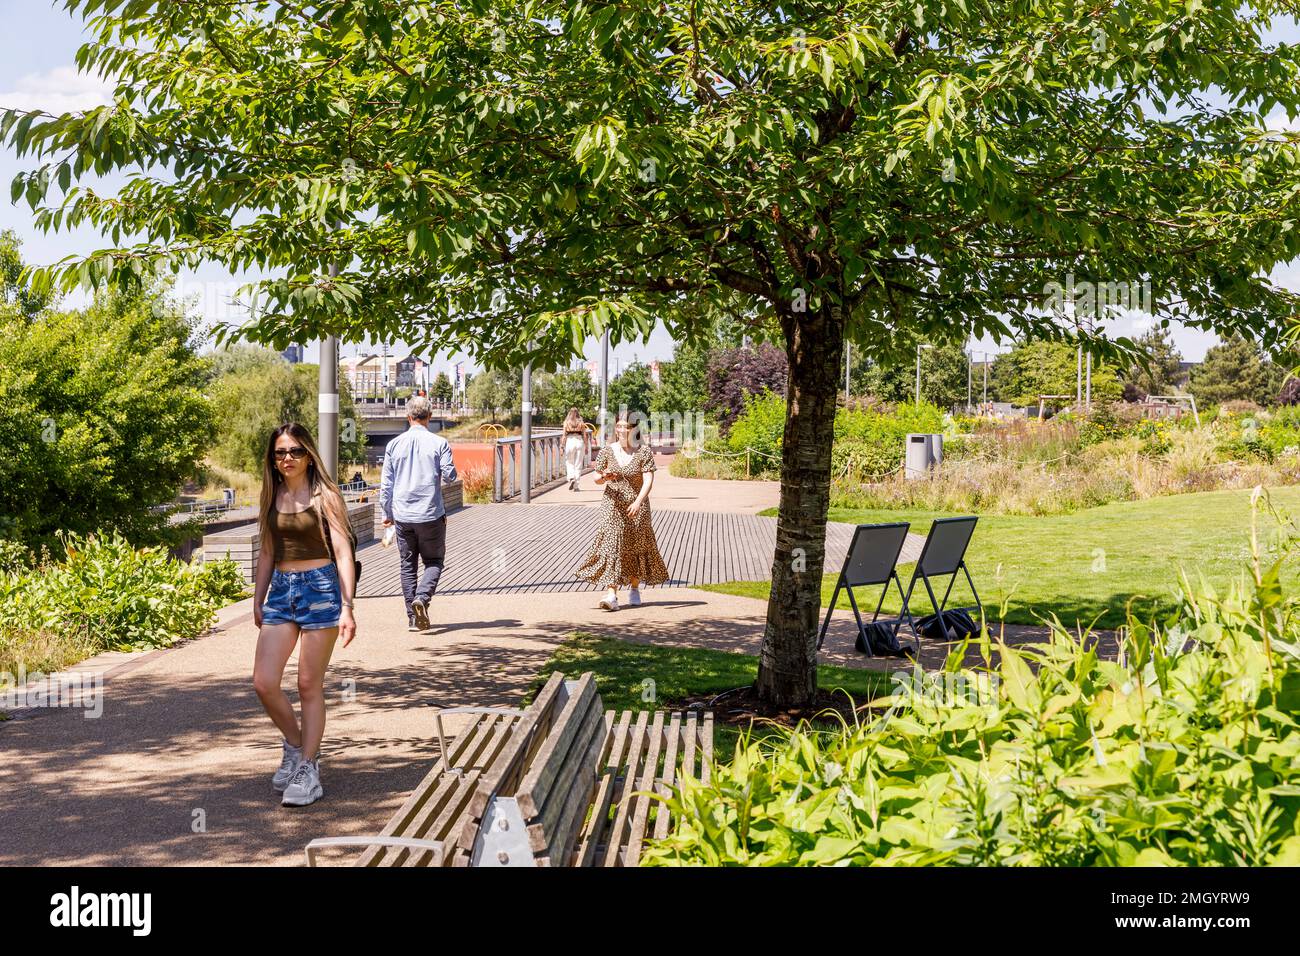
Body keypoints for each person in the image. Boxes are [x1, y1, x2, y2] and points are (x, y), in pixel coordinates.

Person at [252, 423, 357, 808]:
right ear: (272, 458)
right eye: (280, 452)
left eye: (295, 451)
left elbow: (344, 553)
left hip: (321, 590)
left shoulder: (325, 495)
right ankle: (296, 746)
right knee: (264, 682)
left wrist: (348, 607)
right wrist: (258, 597)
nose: (287, 459)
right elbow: (266, 551)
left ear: (309, 453)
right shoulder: (271, 494)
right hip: (281, 590)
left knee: (308, 684)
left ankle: (309, 768)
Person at [380, 394, 459, 632]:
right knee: (434, 561)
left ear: (408, 416)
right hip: (431, 513)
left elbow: (386, 485)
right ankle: (422, 599)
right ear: (430, 417)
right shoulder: (439, 443)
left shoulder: (393, 445)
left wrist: (387, 513)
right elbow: (450, 475)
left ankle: (412, 619)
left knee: (407, 565)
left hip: (403, 515)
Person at [574, 415, 669, 610]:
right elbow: (596, 478)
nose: (620, 430)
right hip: (613, 504)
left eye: (625, 427)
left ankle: (634, 588)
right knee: (612, 545)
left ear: (633, 430)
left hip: (637, 505)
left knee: (635, 546)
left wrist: (638, 502)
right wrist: (604, 477)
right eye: (618, 426)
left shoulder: (643, 452)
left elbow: (648, 480)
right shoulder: (607, 451)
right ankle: (612, 595)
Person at [562, 407, 588, 491]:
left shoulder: (566, 422)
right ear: (578, 413)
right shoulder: (581, 423)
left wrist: (562, 446)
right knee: (578, 464)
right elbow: (584, 435)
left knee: (569, 462)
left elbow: (564, 435)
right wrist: (586, 446)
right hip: (579, 441)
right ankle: (576, 486)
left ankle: (571, 477)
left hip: (570, 441)